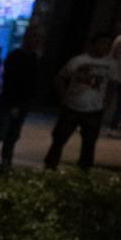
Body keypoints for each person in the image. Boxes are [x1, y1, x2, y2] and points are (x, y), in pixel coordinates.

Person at [44, 31, 115, 170]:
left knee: (89, 143)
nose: (105, 47)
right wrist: (63, 97)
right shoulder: (78, 60)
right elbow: (60, 78)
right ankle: (50, 166)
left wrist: (106, 103)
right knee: (59, 139)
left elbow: (112, 85)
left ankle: (83, 172)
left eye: (107, 44)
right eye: (102, 43)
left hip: (94, 108)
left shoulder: (111, 64)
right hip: (72, 106)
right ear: (93, 44)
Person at [0, 25, 42, 170]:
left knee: (12, 135)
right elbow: (12, 81)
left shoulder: (33, 58)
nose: (36, 42)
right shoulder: (16, 56)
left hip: (21, 103)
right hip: (11, 101)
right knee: (2, 133)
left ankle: (5, 164)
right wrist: (14, 103)